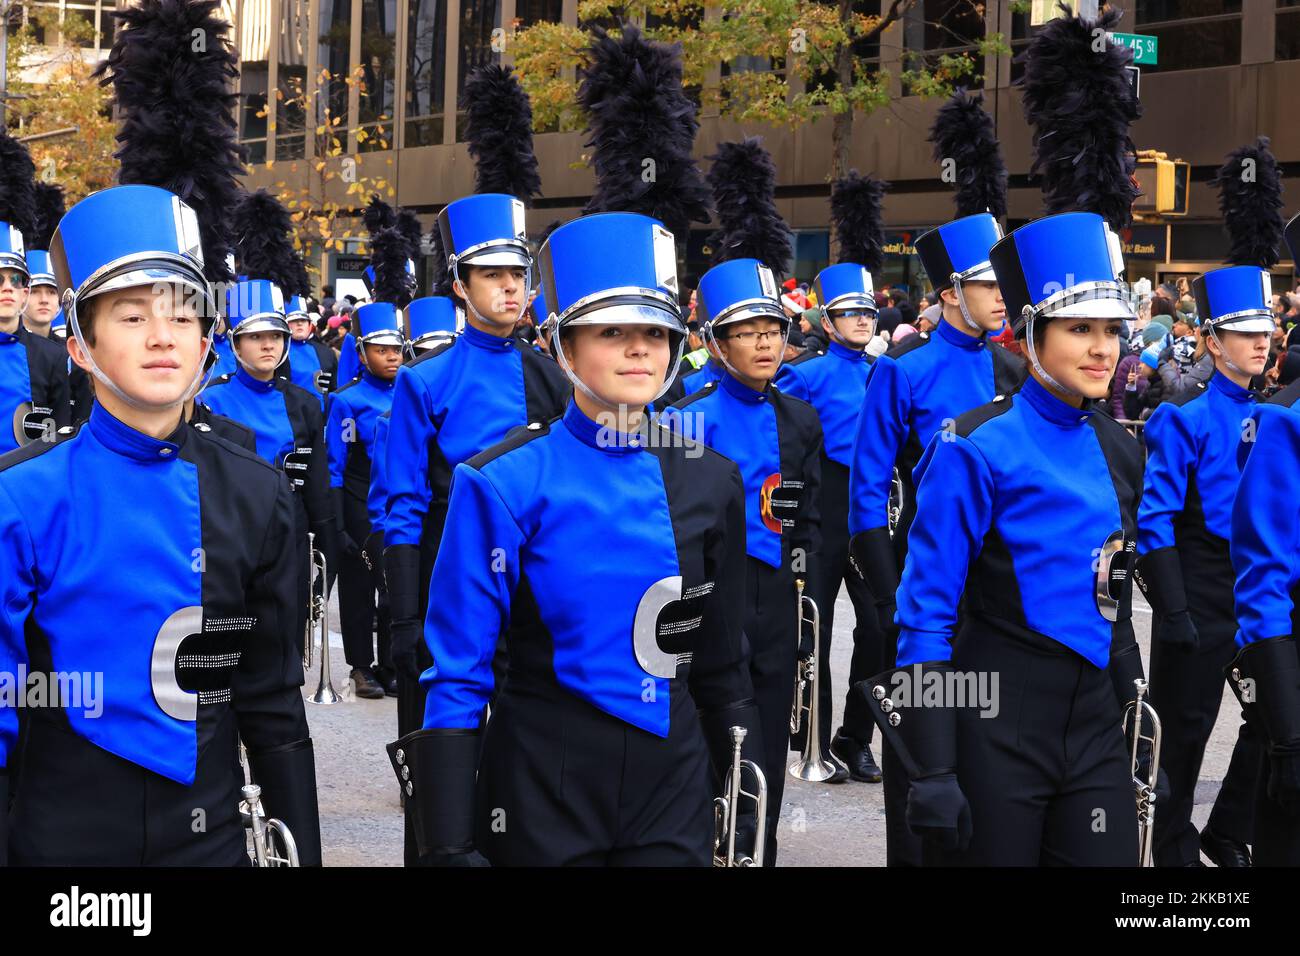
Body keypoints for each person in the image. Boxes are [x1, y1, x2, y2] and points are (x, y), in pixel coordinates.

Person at [388, 210, 763, 866]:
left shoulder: (713, 478)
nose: (639, 348)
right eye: (611, 330)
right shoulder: (500, 480)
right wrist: (445, 842)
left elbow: (722, 663)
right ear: (565, 346)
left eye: (655, 330)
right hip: (541, 781)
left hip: (672, 784)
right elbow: (459, 670)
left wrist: (747, 801)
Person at [864, 211, 1146, 865]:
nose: (1103, 348)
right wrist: (933, 769)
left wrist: (1137, 720)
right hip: (995, 733)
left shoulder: (1121, 448)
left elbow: (1116, 596)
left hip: (1096, 733)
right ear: (1032, 332)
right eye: (1080, 329)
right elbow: (926, 615)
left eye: (1111, 329)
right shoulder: (973, 446)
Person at [383, 191, 569, 863]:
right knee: (440, 758)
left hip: (533, 582)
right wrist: (404, 618)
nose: (511, 287)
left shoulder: (554, 376)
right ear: (460, 285)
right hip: (444, 575)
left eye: (518, 274)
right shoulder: (422, 381)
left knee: (525, 752)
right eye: (493, 274)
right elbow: (399, 503)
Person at [848, 212, 1025, 865]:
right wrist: (895, 599)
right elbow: (866, 494)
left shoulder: (1015, 368)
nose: (1003, 293)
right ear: (950, 291)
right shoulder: (903, 368)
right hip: (924, 592)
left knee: (991, 759)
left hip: (999, 596)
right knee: (925, 767)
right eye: (987, 282)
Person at [665, 253, 823, 865]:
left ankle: (761, 850)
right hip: (709, 599)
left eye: (774, 329)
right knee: (714, 738)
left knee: (768, 754)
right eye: (748, 332)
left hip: (776, 596)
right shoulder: (684, 417)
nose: (766, 343)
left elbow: (805, 512)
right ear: (716, 343)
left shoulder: (800, 418)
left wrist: (804, 566)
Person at [776, 249, 885, 782]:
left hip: (869, 513)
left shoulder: (886, 373)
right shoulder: (804, 374)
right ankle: (811, 739)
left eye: (868, 312)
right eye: (850, 313)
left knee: (880, 625)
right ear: (827, 320)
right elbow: (789, 449)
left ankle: (856, 736)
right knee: (811, 630)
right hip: (822, 508)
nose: (863, 320)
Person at [327, 301, 403, 699]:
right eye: (380, 349)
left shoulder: (412, 393)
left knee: (396, 589)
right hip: (360, 502)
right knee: (359, 588)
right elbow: (335, 467)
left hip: (402, 502)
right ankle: (360, 667)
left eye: (395, 349)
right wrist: (339, 524)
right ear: (361, 353)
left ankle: (390, 664)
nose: (390, 356)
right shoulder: (347, 400)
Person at [0, 133, 69, 453]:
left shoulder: (52, 356)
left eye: (15, 281)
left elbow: (61, 435)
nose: (7, 289)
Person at [281, 295, 338, 409]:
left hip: (321, 416)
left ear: (310, 325)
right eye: (294, 320)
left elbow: (335, 389)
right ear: (286, 325)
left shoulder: (326, 352)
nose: (299, 324)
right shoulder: (278, 351)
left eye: (303, 320)